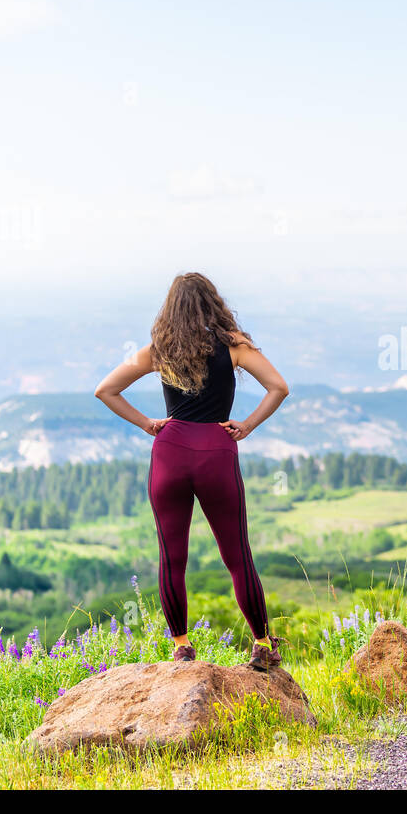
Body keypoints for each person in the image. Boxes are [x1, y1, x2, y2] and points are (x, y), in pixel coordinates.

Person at [94, 272, 290, 669]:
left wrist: (149, 424)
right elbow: (279, 387)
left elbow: (106, 390)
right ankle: (262, 643)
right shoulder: (235, 346)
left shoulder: (157, 350)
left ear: (171, 309)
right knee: (237, 555)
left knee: (172, 557)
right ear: (213, 303)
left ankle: (181, 645)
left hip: (170, 453)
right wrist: (247, 425)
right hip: (217, 452)